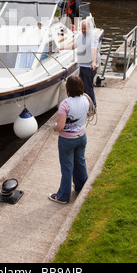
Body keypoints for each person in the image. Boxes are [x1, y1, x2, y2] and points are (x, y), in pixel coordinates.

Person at [49, 76, 94, 204]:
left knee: (67, 167)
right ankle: (82, 187)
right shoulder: (86, 100)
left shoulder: (65, 104)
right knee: (80, 162)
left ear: (68, 88)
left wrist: (55, 128)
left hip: (67, 141)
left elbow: (60, 126)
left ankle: (63, 196)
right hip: (82, 137)